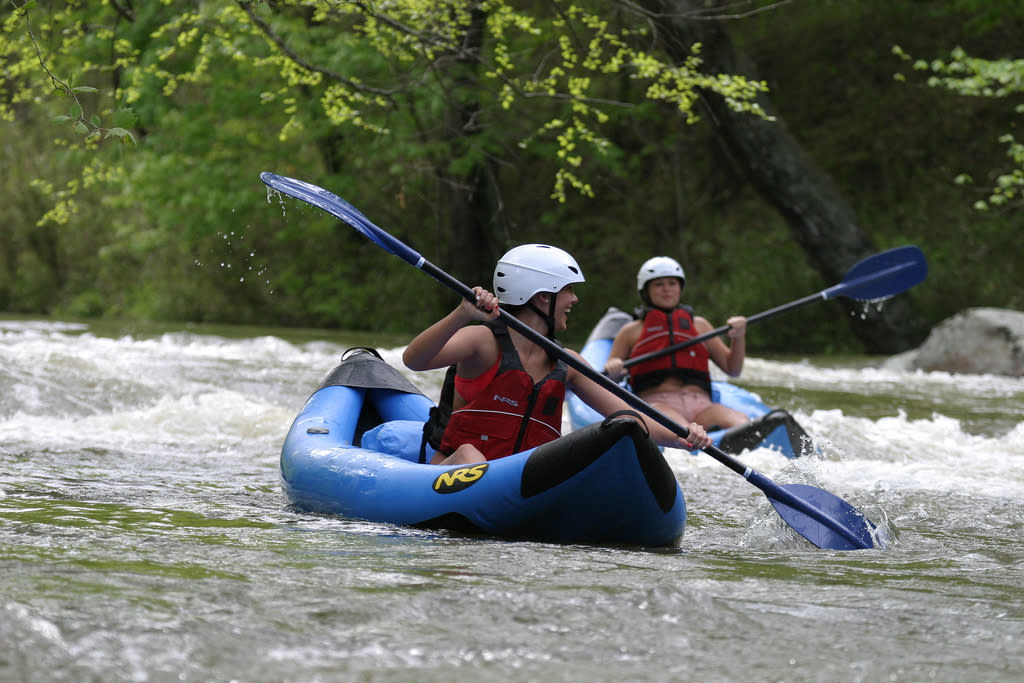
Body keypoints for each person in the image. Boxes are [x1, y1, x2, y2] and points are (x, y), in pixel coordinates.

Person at [403, 244, 711, 466]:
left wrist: (682, 436)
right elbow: (414, 360)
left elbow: (628, 414)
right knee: (471, 454)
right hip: (458, 470)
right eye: (569, 291)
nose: (574, 299)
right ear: (542, 297)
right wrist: (461, 314)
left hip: (520, 478)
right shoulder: (482, 341)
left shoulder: (568, 363)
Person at [604, 256, 750, 431]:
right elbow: (609, 380)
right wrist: (613, 369)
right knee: (680, 429)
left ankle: (710, 435)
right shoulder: (630, 331)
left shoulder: (700, 326)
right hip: (658, 405)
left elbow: (733, 369)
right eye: (659, 284)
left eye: (672, 283)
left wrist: (738, 337)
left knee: (742, 423)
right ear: (646, 291)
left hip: (702, 406)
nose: (666, 290)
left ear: (680, 287)